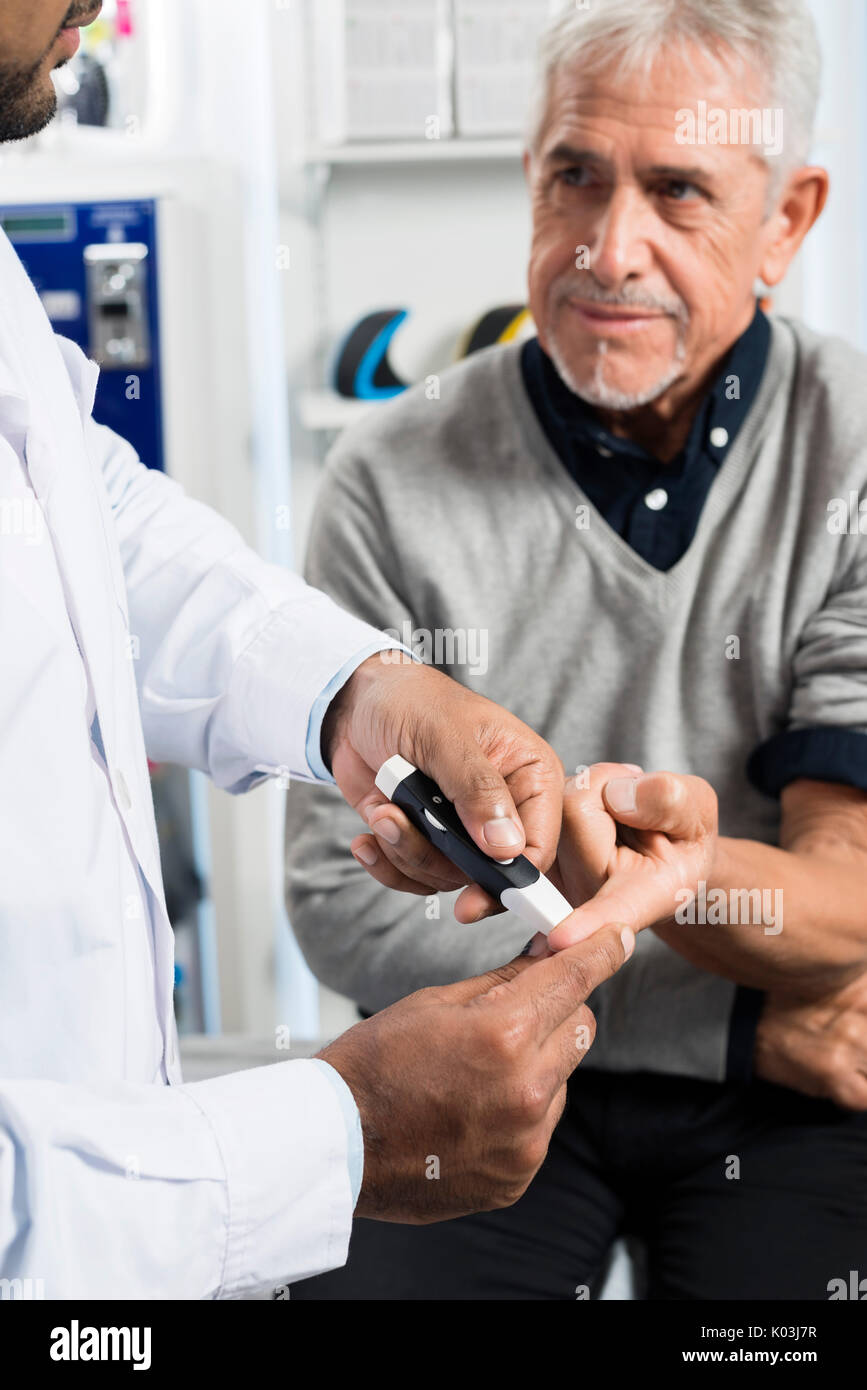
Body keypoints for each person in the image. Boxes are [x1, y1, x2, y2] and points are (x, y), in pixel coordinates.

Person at [0, 0, 645, 1300]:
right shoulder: (394, 468)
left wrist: (359, 689)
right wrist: (332, 1137)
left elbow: (69, 502)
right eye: (575, 178)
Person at [286, 0, 867, 1300]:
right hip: (578, 1040)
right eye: (574, 177)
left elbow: (856, 888)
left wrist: (687, 887)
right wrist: (728, 1018)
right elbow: (334, 901)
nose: (611, 249)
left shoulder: (854, 451)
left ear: (788, 218)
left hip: (784, 1101)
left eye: (677, 191)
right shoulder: (388, 472)